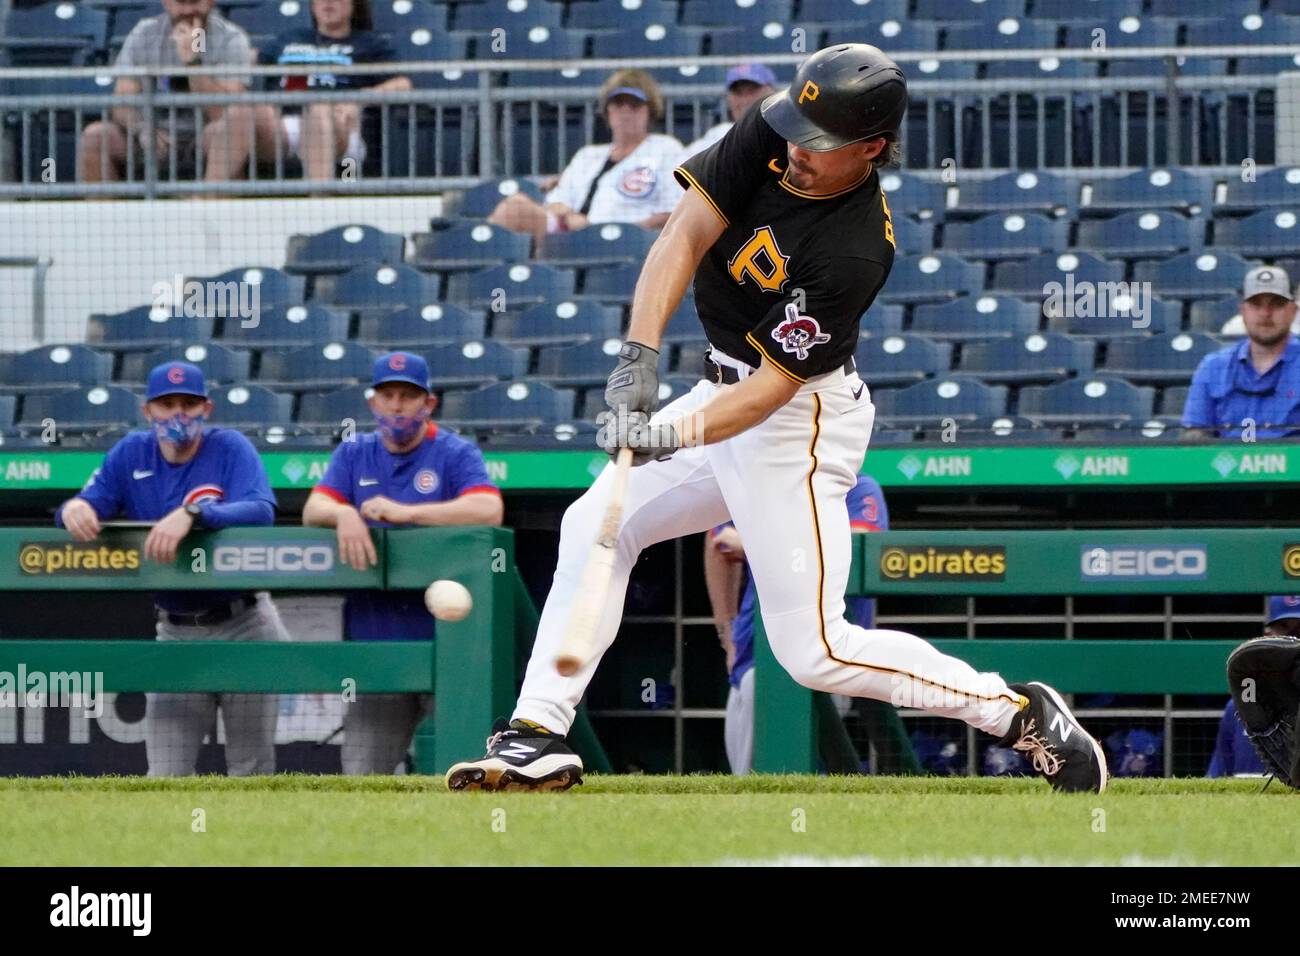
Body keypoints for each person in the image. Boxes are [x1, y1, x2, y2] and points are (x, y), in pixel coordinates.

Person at [446, 44, 1108, 795]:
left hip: (797, 422)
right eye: (797, 126)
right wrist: (638, 358)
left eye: (820, 144)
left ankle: (1018, 716)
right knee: (598, 520)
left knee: (814, 651)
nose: (798, 147)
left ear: (871, 149)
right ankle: (538, 732)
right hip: (717, 391)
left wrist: (665, 433)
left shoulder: (856, 249)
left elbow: (767, 394)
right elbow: (683, 235)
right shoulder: (777, 128)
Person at [56, 361, 284, 775]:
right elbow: (87, 503)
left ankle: (251, 843)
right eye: (166, 404)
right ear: (148, 412)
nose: (178, 414)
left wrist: (194, 513)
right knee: (166, 774)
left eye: (188, 403)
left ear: (206, 409)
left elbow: (261, 510)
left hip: (245, 623)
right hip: (176, 630)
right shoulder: (131, 452)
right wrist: (75, 508)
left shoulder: (229, 446)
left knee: (251, 773)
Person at [302, 352, 503, 774]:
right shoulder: (354, 452)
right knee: (363, 777)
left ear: (427, 404)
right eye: (387, 395)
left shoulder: (453, 452)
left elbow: (487, 509)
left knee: (468, 771)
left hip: (450, 645)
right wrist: (344, 514)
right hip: (378, 645)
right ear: (373, 403)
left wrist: (408, 513)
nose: (396, 405)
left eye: (407, 396)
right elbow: (313, 508)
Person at [705, 474, 888, 774]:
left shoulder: (857, 488)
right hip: (752, 658)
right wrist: (727, 633)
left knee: (798, 779)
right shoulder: (767, 486)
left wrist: (755, 544)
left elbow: (849, 554)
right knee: (748, 783)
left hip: (823, 663)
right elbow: (718, 542)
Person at [488, 69, 683, 245]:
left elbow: (673, 211)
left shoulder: (665, 149)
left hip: (630, 237)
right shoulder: (588, 155)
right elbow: (557, 203)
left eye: (634, 105)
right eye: (618, 104)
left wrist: (627, 231)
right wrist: (574, 219)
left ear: (650, 111)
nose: (625, 112)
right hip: (572, 232)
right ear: (608, 111)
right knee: (514, 207)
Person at [80, 0, 255, 183]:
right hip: (154, 136)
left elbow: (223, 112)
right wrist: (143, 129)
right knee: (95, 135)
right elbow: (122, 101)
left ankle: (207, 204)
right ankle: (103, 209)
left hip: (204, 136)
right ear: (166, 3)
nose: (187, 10)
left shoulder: (231, 38)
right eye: (180, 2)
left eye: (195, 2)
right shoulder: (145, 33)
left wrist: (193, 63)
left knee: (236, 125)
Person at [250, 0, 411, 182]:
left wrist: (359, 100)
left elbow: (402, 84)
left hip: (342, 128)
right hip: (285, 125)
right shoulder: (289, 39)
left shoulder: (370, 44)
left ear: (354, 5)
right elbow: (245, 58)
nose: (328, 2)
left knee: (319, 111)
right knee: (239, 116)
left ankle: (320, 203)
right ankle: (217, 201)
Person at [1183, 265, 1300, 438]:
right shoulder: (1213, 366)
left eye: (1276, 304)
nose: (1265, 313)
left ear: (1293, 311)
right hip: (1226, 463)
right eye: (1255, 304)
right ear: (1243, 311)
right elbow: (1195, 434)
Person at [1207, 595, 1299, 777]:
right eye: (1284, 628)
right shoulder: (1238, 706)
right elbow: (1218, 774)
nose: (1293, 637)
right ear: (1267, 635)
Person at [678, 64, 778, 165]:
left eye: (752, 91)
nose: (745, 100)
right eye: (738, 93)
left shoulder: (784, 132)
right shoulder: (718, 135)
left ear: (772, 93)